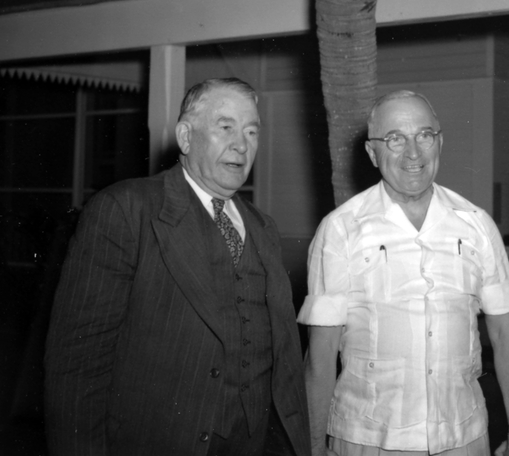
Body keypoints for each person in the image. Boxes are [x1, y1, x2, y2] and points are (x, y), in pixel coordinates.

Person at [45, 78, 310, 456]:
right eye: (226, 128)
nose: (242, 144)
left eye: (252, 131)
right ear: (186, 137)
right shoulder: (126, 209)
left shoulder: (262, 226)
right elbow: (76, 365)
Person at [298, 90, 509, 456]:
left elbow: (506, 337)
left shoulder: (476, 225)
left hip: (464, 437)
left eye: (424, 135)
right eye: (395, 139)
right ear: (372, 152)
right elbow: (320, 355)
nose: (413, 152)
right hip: (369, 440)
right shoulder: (340, 229)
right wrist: (314, 450)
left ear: (439, 142)